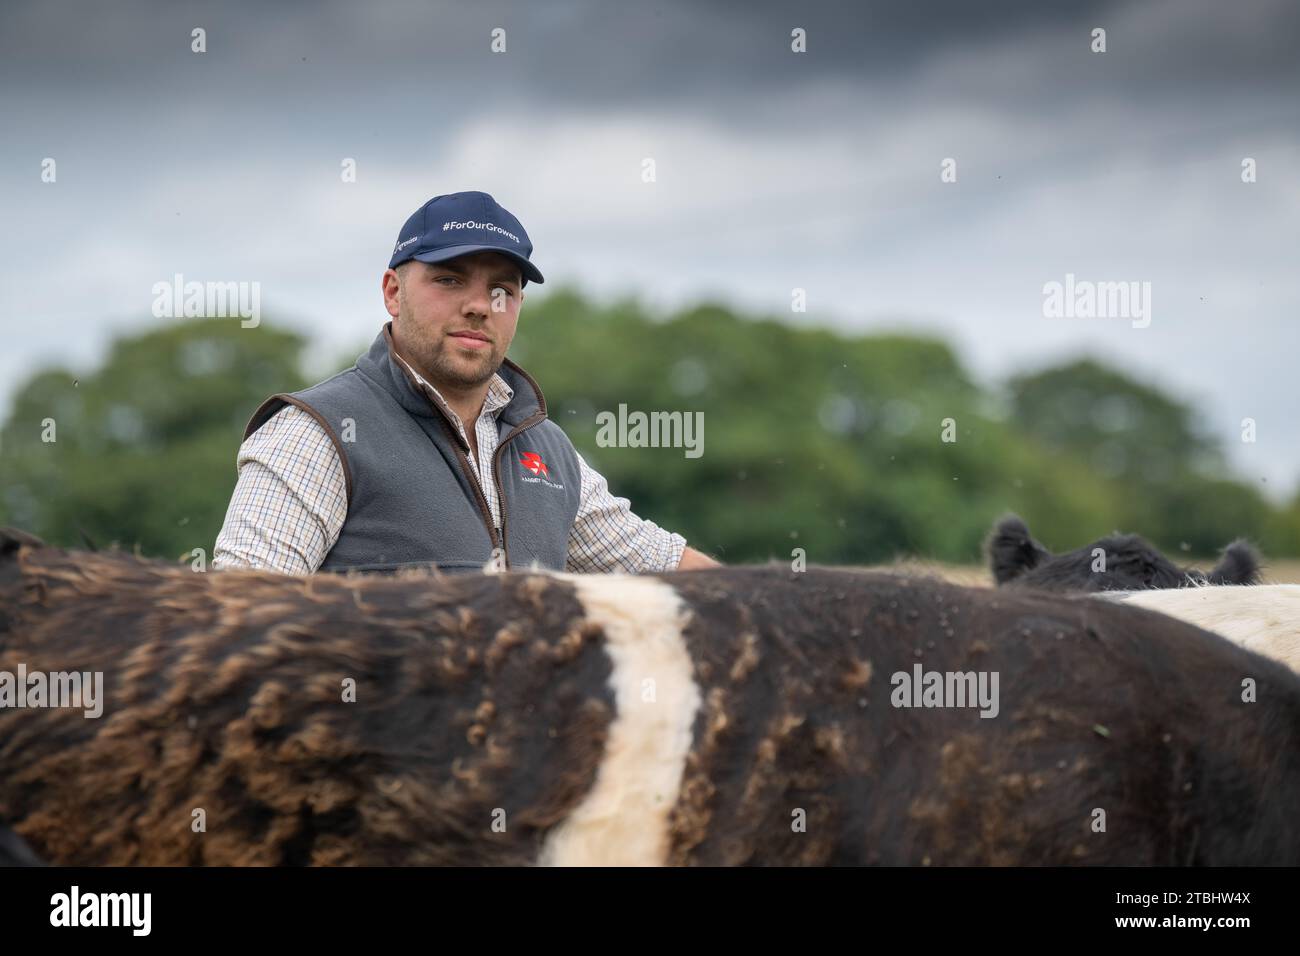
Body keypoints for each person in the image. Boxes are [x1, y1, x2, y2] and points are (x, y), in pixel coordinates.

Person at [213, 190, 719, 576]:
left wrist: (788, 610)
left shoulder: (546, 447)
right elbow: (240, 616)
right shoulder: (315, 432)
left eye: (502, 289)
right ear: (393, 291)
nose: (480, 305)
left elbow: (662, 566)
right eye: (449, 280)